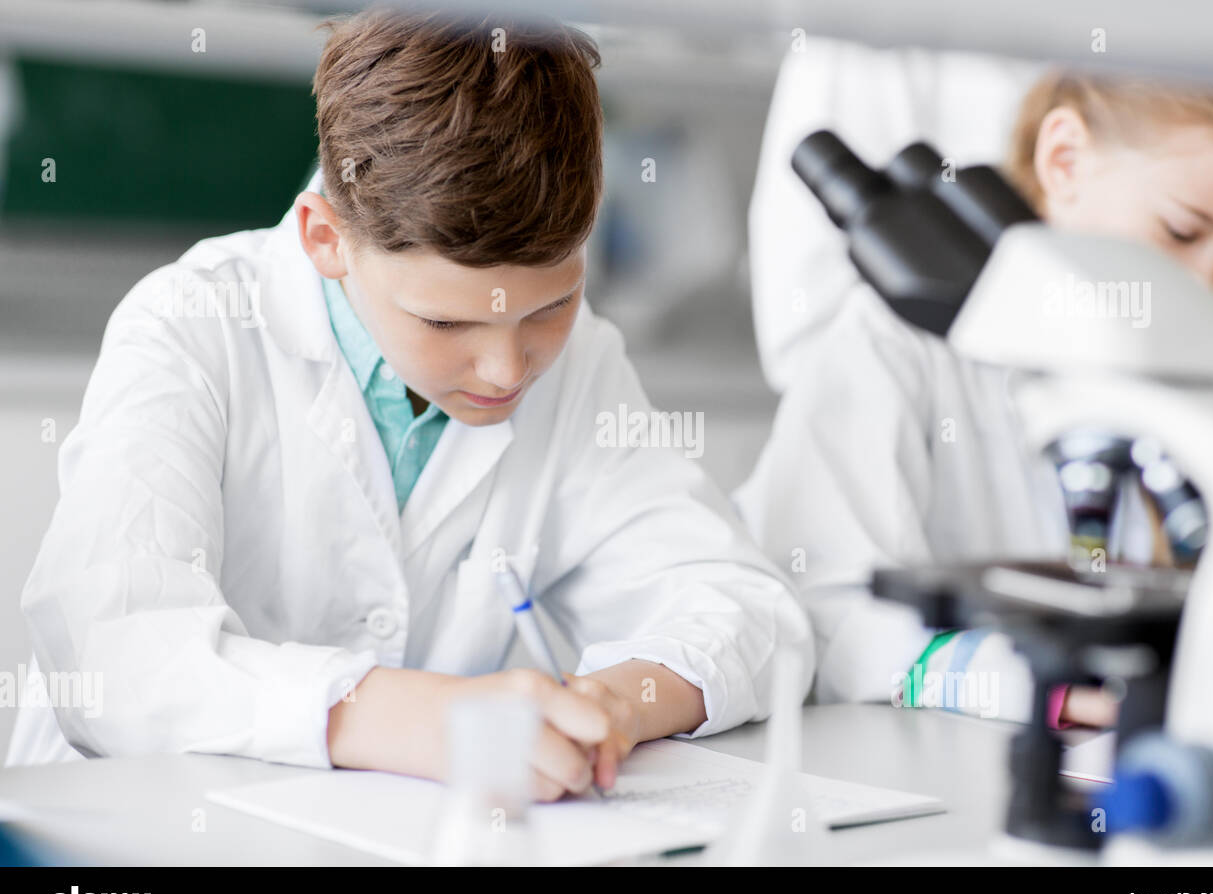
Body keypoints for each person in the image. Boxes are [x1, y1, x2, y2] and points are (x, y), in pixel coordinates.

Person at [6, 11, 813, 801]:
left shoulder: (583, 362)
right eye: (445, 322)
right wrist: (408, 718)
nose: (506, 369)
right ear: (326, 238)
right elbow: (114, 657)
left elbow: (752, 611)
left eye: (550, 306)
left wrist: (614, 702)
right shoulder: (191, 325)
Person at [737, 55, 1213, 726]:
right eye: (1182, 231)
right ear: (1064, 161)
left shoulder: (1201, 360)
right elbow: (830, 620)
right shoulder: (898, 342)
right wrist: (1038, 688)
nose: (1208, 286)